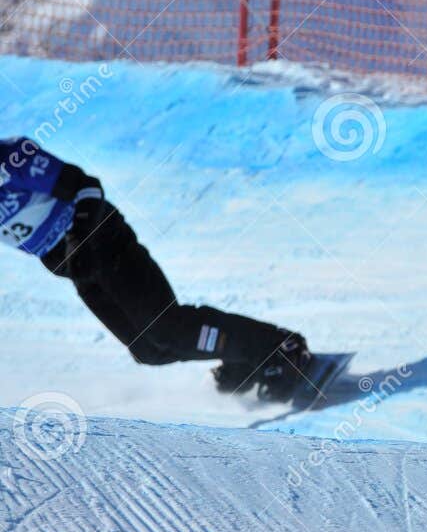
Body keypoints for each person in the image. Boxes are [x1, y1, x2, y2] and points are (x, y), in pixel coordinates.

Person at [1, 136, 315, 401]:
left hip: (100, 238)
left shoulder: (13, 158)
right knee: (149, 350)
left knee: (167, 327)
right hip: (73, 265)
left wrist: (79, 239)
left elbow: (87, 187)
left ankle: (278, 346)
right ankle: (243, 355)